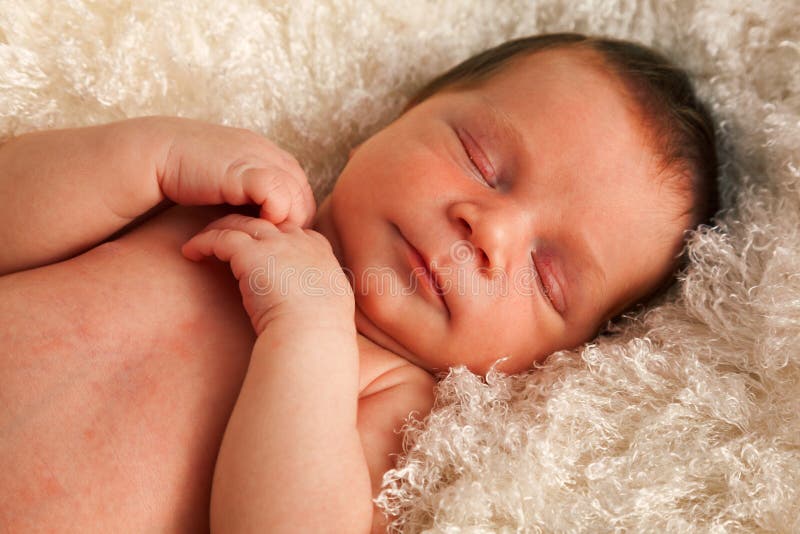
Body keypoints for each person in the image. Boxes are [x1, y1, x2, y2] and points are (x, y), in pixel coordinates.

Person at [0, 33, 717, 532]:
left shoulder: (385, 400)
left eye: (549, 275)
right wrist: (146, 156)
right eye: (480, 159)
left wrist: (306, 330)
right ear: (391, 122)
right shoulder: (215, 201)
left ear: (554, 359)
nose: (491, 230)